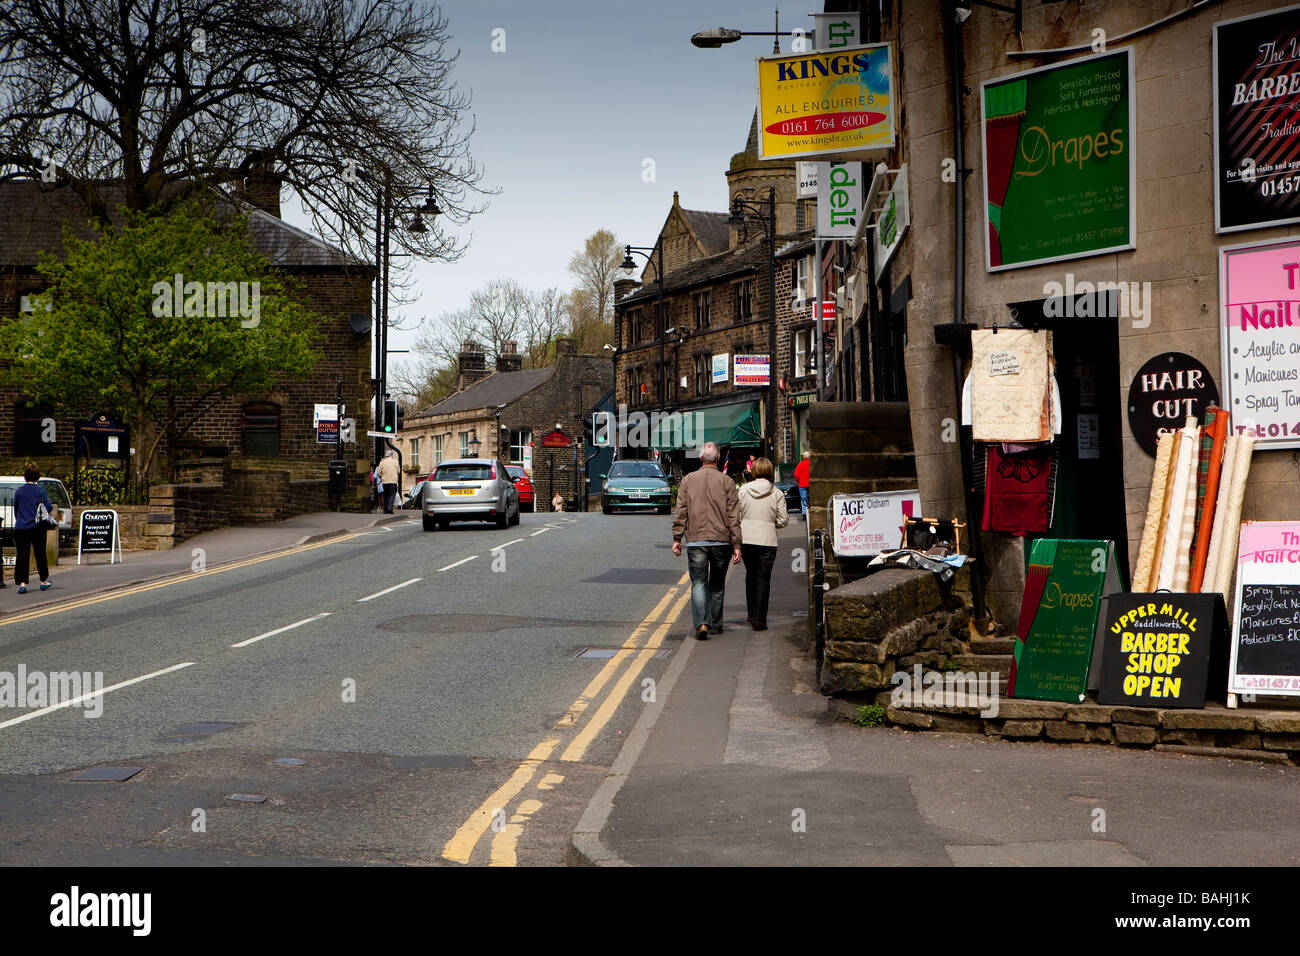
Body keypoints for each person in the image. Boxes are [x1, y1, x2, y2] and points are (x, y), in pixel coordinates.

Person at [671, 442, 741, 640]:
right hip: (721, 541)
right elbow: (734, 516)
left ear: (700, 459)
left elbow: (681, 511)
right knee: (717, 585)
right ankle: (716, 624)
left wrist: (677, 538)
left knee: (699, 584)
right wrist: (737, 545)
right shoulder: (727, 482)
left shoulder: (687, 480)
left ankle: (702, 622)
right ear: (718, 459)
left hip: (696, 541)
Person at [737, 457, 788, 631]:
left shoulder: (743, 490)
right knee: (763, 579)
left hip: (747, 539)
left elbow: (737, 516)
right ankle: (760, 620)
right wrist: (770, 523)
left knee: (750, 576)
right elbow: (783, 520)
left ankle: (751, 615)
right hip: (767, 540)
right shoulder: (777, 493)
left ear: (755, 471)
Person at [13, 464, 55, 594]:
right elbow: (48, 507)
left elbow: (16, 509)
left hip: (21, 527)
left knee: (22, 555)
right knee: (40, 553)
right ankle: (43, 581)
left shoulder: (19, 491)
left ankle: (22, 583)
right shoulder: (40, 491)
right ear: (37, 477)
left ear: (25, 477)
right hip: (37, 527)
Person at [793, 451, 811, 518]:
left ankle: (804, 513)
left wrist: (798, 480)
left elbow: (796, 474)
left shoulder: (800, 464)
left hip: (802, 484)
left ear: (803, 457)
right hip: (811, 484)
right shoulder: (812, 463)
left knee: (803, 499)